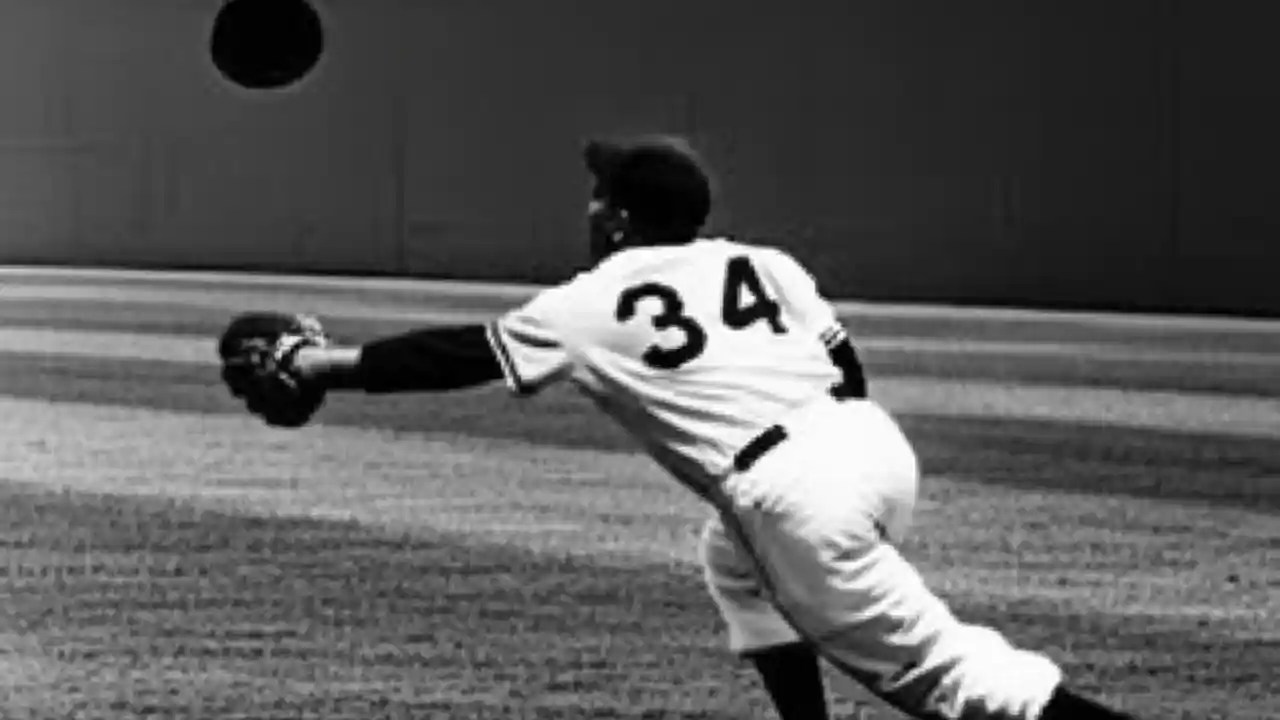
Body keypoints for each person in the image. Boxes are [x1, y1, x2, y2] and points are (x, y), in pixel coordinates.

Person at [217, 134, 1146, 720]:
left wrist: (321, 366)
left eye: (600, 197)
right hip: (868, 445)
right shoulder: (766, 262)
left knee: (958, 683)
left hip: (795, 495)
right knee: (728, 554)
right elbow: (848, 370)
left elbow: (461, 354)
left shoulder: (596, 298)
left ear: (619, 221)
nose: (589, 208)